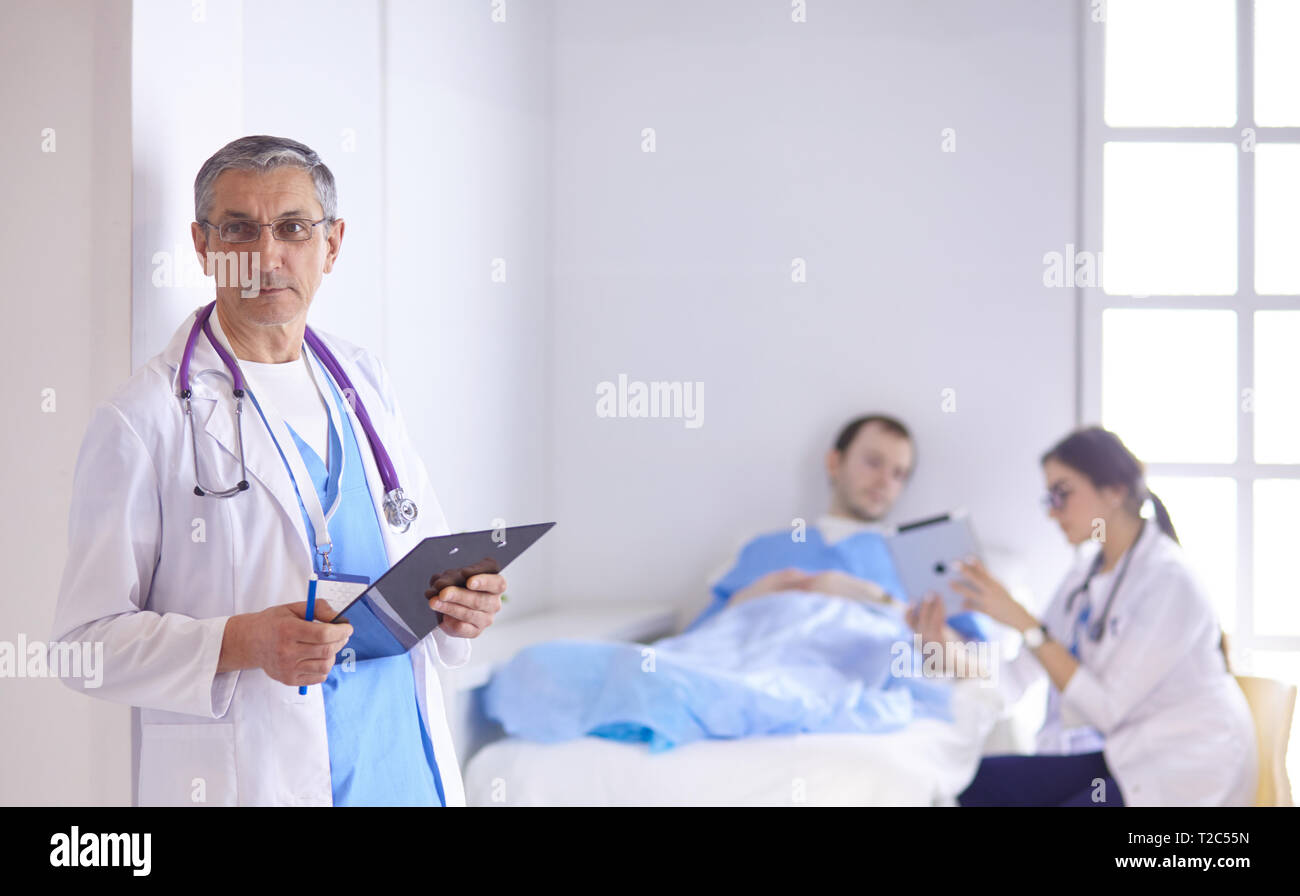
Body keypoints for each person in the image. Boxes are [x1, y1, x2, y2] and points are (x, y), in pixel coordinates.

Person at [50, 135, 506, 806]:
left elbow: (427, 559)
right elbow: (81, 646)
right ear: (203, 246)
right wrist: (239, 642)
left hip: (402, 770)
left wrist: (461, 607)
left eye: (292, 227)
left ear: (333, 243)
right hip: (258, 780)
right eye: (239, 230)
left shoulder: (364, 381)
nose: (266, 257)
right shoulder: (144, 418)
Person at [907, 426, 1257, 806]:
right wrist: (943, 645)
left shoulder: (1169, 582)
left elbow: (1106, 710)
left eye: (1063, 492)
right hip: (1127, 758)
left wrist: (1026, 624)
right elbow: (1011, 683)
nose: (1053, 512)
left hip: (1185, 768)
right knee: (969, 785)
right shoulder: (1083, 577)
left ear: (1115, 490)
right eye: (1048, 498)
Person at [687, 414, 991, 642]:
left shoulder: (922, 560)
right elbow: (696, 643)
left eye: (899, 474)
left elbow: (973, 664)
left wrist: (877, 599)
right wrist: (756, 595)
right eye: (873, 462)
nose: (885, 481)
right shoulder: (764, 550)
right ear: (835, 463)